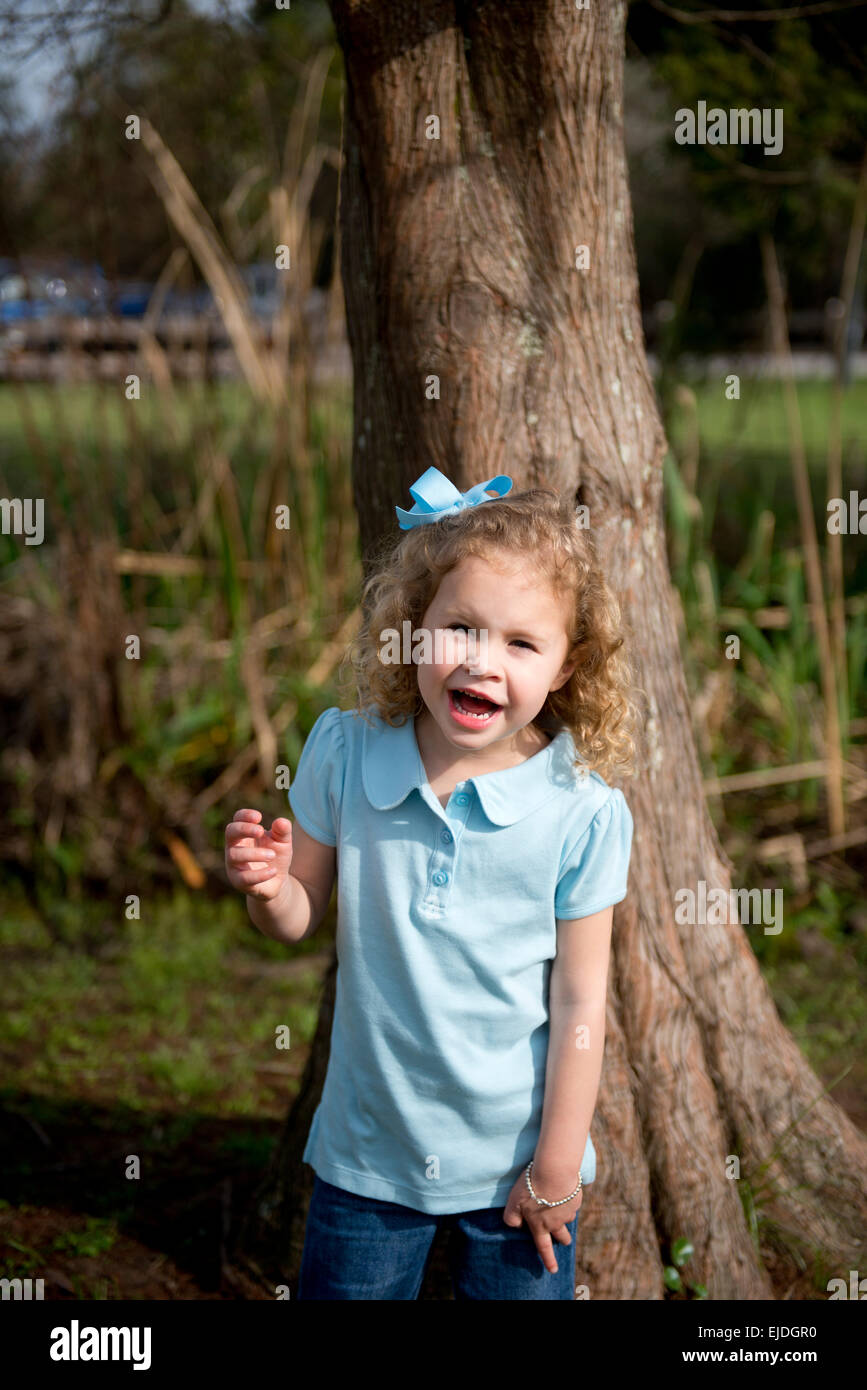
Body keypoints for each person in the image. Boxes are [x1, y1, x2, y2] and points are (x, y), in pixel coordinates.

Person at [224, 467, 637, 1300]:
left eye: (522, 644)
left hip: (518, 1167)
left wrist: (557, 1162)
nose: (483, 663)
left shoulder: (579, 812)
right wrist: (268, 888)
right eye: (460, 629)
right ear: (414, 631)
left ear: (564, 667)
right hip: (366, 1157)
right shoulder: (346, 752)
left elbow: (583, 1002)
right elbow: (298, 915)